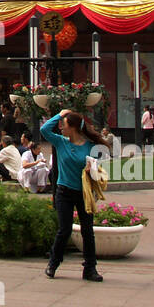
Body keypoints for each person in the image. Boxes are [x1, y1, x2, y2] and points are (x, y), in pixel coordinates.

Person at [42, 111, 107, 282]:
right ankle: (53, 263)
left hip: (84, 193)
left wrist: (91, 168)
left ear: (73, 127)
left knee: (88, 231)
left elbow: (96, 165)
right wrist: (60, 114)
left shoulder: (89, 146)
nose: (61, 127)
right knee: (64, 230)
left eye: (64, 124)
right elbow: (44, 130)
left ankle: (90, 269)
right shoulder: (60, 142)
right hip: (64, 192)